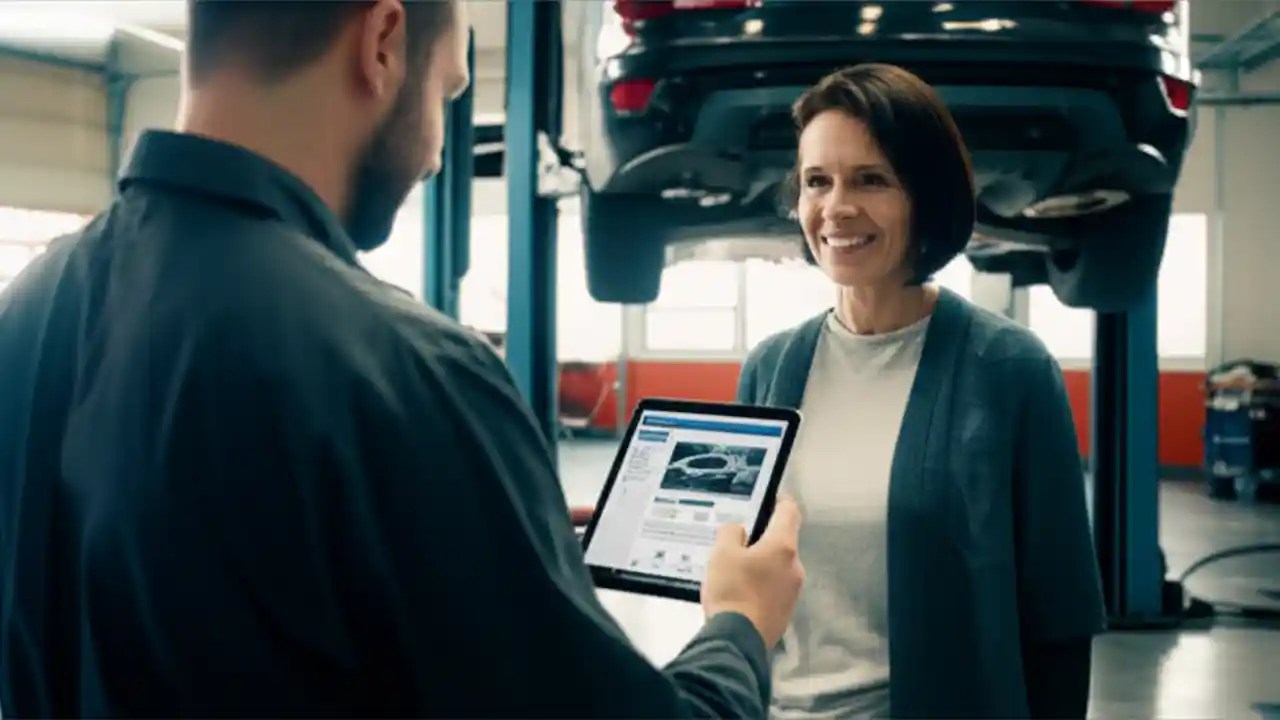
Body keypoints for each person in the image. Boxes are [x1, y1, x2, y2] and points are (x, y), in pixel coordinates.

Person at [0, 1, 805, 716]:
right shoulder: (403, 369)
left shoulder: (28, 310)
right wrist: (740, 625)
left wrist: (472, 529)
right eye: (449, 91)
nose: (432, 153)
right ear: (382, 42)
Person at [736, 64, 1107, 719]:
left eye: (872, 180)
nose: (837, 207)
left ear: (926, 197)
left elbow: (1059, 619)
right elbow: (734, 566)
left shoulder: (1011, 369)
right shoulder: (770, 368)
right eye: (818, 181)